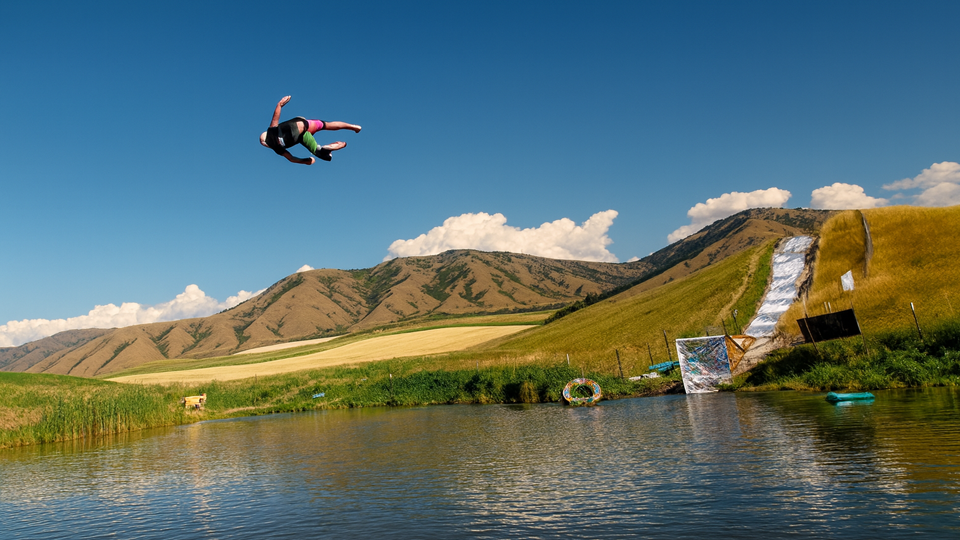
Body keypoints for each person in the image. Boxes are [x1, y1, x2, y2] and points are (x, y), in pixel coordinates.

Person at [259, 96, 361, 165]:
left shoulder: (277, 149)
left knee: (321, 154)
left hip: (300, 135)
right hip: (302, 125)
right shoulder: (271, 132)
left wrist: (306, 161)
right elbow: (275, 117)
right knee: (327, 125)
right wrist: (280, 103)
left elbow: (291, 159)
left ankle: (326, 149)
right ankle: (353, 127)